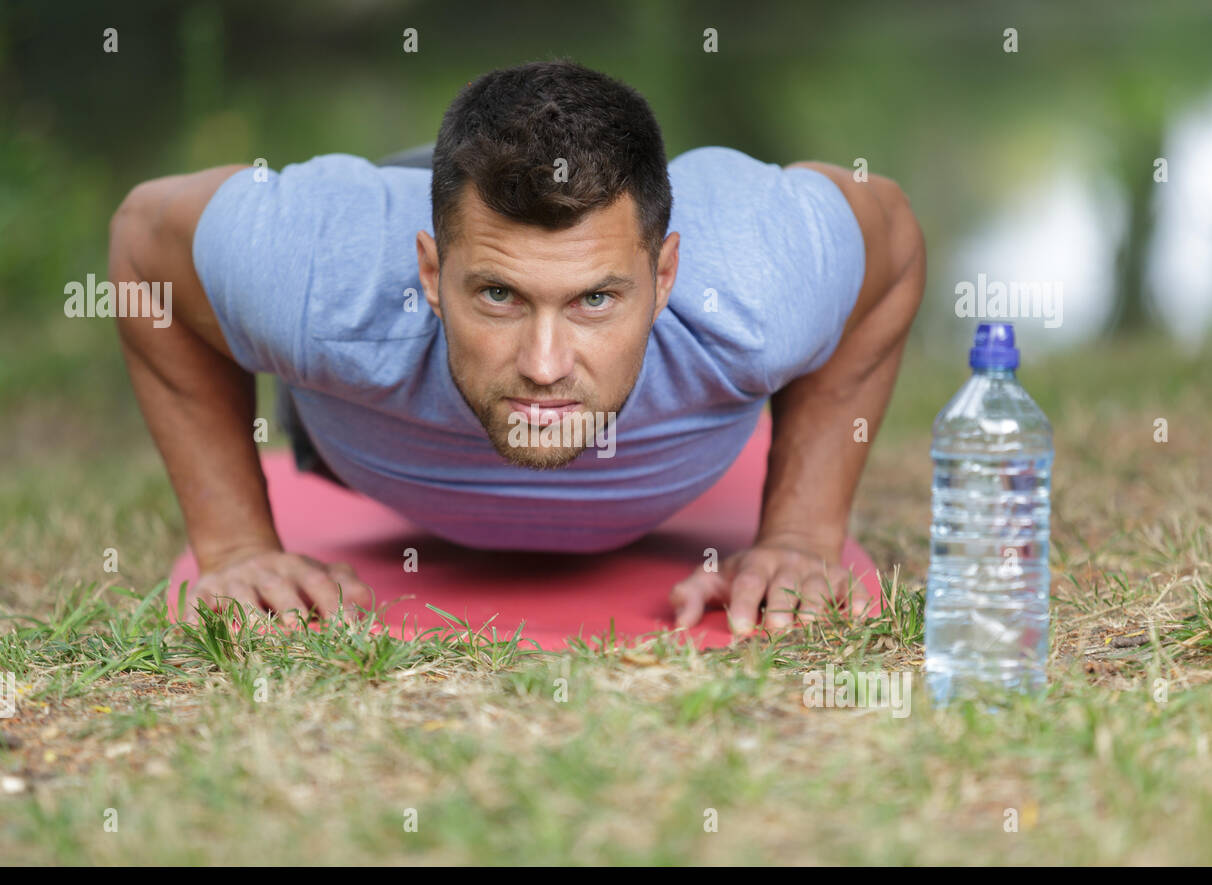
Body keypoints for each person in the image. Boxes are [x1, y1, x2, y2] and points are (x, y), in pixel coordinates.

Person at [108, 58, 925, 637]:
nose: (544, 365)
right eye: (499, 296)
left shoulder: (756, 281)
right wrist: (236, 545)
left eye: (594, 300)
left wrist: (802, 535)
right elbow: (144, 238)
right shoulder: (322, 278)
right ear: (430, 271)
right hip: (367, 338)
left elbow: (892, 241)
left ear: (668, 273)